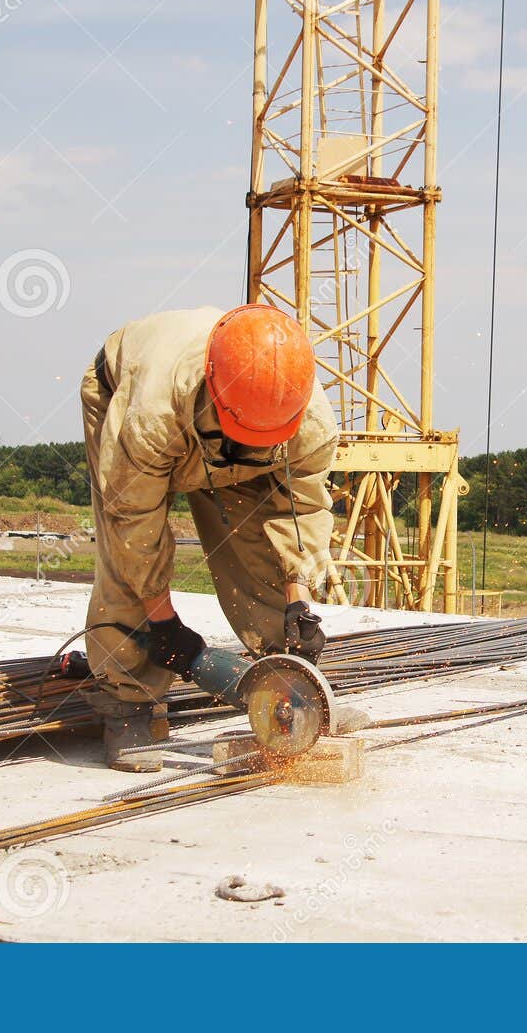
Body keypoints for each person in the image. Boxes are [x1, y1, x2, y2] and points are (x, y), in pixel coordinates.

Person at [80, 304, 337, 772]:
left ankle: (286, 686)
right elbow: (134, 527)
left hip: (228, 422)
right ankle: (129, 703)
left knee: (262, 541)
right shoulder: (151, 415)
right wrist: (165, 626)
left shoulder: (308, 418)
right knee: (126, 562)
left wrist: (298, 598)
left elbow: (300, 512)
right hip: (136, 401)